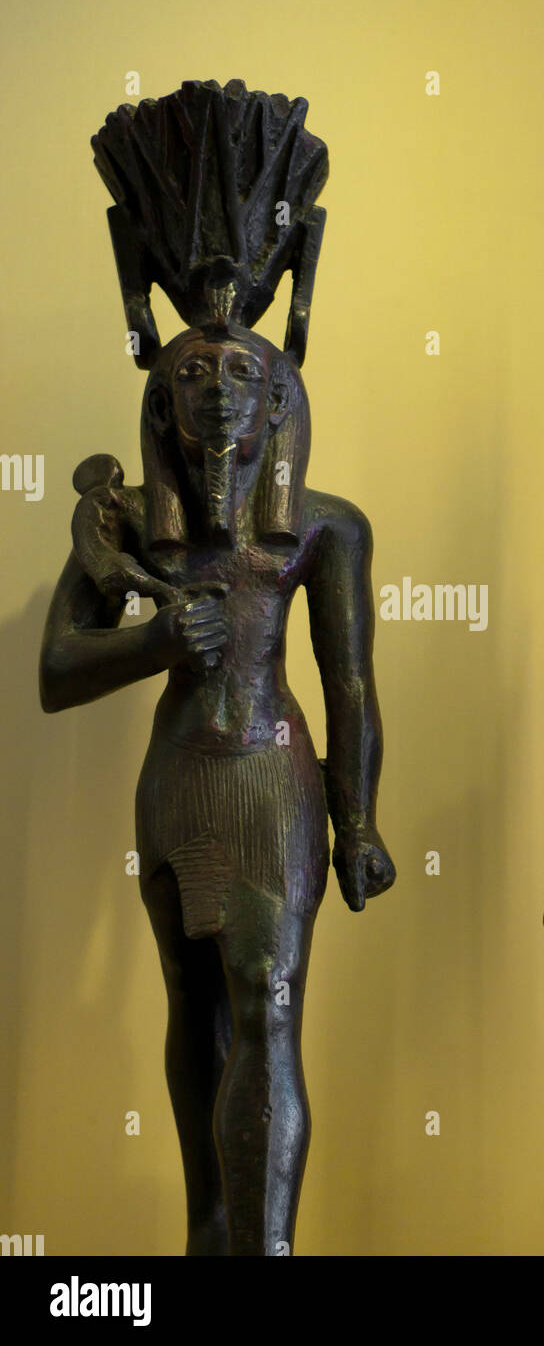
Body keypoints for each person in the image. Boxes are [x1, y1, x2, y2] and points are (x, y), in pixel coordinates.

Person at [40, 321, 395, 1255]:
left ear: (279, 399)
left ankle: (264, 1245)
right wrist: (151, 644)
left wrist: (357, 823)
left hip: (276, 777)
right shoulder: (126, 530)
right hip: (180, 783)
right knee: (193, 1005)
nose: (217, 388)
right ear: (162, 401)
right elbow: (57, 670)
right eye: (191, 371)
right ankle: (209, 1228)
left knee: (265, 999)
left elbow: (350, 681)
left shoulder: (325, 526)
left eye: (244, 370)